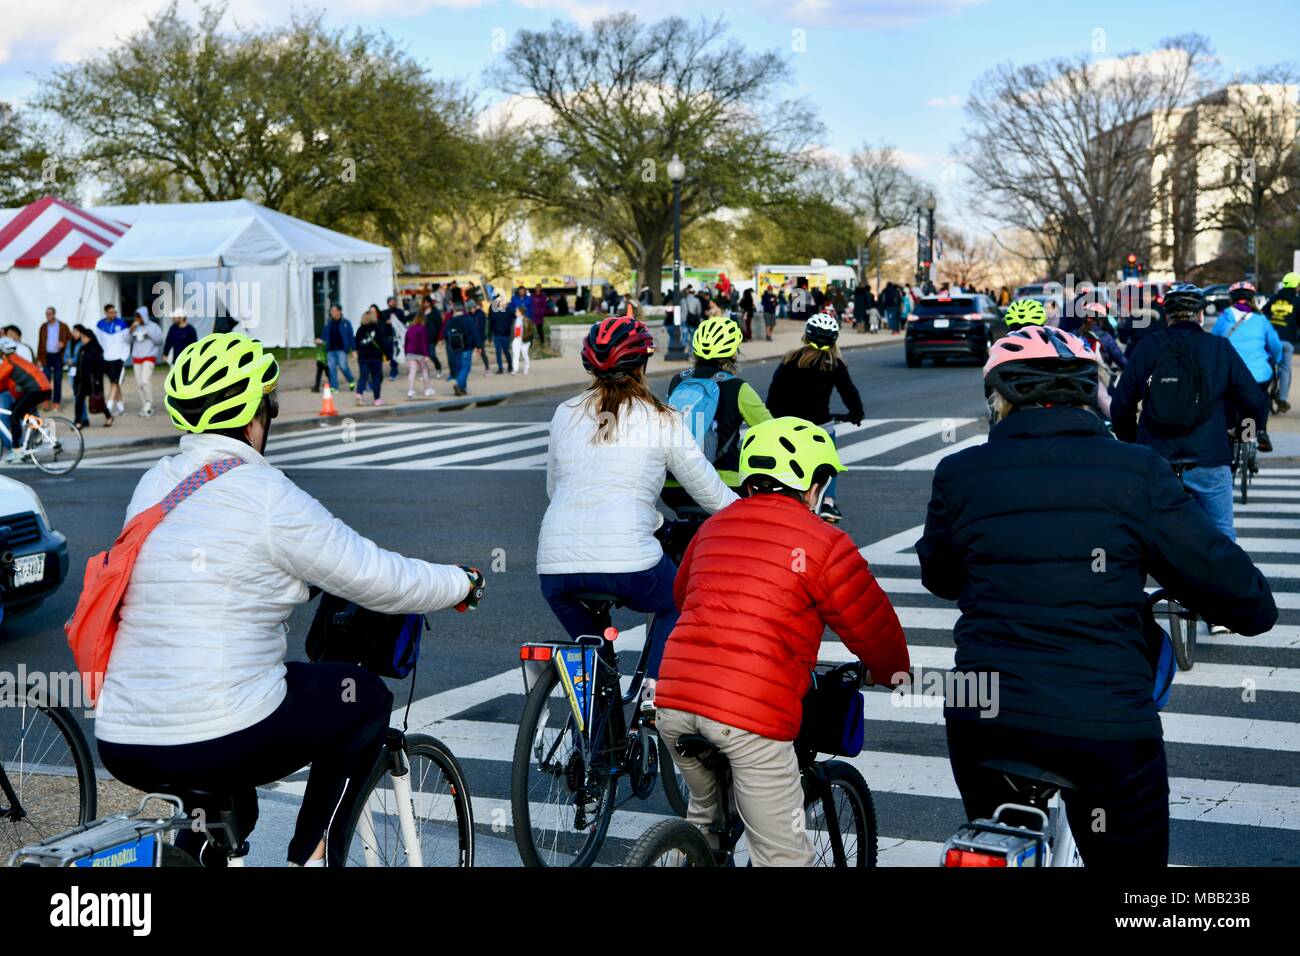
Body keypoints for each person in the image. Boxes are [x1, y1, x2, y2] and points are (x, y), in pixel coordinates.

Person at [94, 332, 484, 867]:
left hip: (123, 737)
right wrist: (461, 582)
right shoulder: (266, 495)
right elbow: (378, 578)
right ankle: (311, 852)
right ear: (255, 415)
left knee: (232, 813)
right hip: (215, 729)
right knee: (363, 696)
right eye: (270, 405)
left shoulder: (155, 482)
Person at [918, 324, 1277, 867]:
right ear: (1090, 394)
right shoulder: (1136, 471)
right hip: (1103, 720)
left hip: (984, 710)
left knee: (990, 839)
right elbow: (1243, 598)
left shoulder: (960, 473)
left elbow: (941, 577)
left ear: (999, 399)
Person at [655, 416, 908, 867]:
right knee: (782, 854)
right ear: (811, 485)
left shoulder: (713, 527)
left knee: (704, 822)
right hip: (749, 714)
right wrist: (889, 671)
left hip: (675, 701)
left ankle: (692, 852)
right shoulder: (823, 542)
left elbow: (682, 594)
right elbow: (872, 624)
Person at [538, 316, 737, 691]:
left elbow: (556, 490)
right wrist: (752, 517)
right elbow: (710, 492)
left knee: (594, 658)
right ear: (643, 365)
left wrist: (655, 522)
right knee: (677, 599)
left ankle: (596, 729)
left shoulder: (565, 413)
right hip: (628, 563)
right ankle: (653, 691)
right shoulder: (661, 418)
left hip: (555, 567)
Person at [1110, 284, 1267, 608]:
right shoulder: (1219, 348)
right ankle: (1225, 611)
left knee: (1139, 535)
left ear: (1167, 316)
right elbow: (1254, 398)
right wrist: (1247, 430)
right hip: (1209, 457)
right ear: (1200, 315)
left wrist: (1131, 445)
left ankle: (1129, 607)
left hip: (1155, 461)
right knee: (1221, 534)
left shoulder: (1147, 347)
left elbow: (1121, 405)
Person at [663, 314, 771, 509]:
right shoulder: (738, 388)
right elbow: (770, 431)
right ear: (734, 353)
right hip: (722, 484)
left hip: (673, 486)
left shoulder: (678, 381)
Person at [765, 314, 864, 523]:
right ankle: (828, 501)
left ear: (806, 336)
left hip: (789, 426)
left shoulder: (790, 360)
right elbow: (849, 393)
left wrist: (775, 416)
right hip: (819, 426)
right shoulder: (833, 364)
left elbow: (774, 395)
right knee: (830, 461)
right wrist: (856, 414)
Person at [1212, 281, 1281, 446]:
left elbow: (1213, 344)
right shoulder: (1261, 320)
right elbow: (1275, 346)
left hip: (1230, 375)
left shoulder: (1223, 318)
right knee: (1260, 397)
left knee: (1228, 400)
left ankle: (1229, 434)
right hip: (1258, 374)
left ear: (1231, 298)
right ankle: (1260, 431)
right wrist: (1275, 360)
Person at [0, 337, 52, 461]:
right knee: (17, 410)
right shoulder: (17, 359)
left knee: (14, 415)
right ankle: (35, 433)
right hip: (42, 389)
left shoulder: (9, 362)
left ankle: (17, 450)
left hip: (37, 390)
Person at [1262, 272, 1299, 414]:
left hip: (1270, 340)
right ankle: (1282, 400)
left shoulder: (1274, 298)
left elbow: (1262, 314)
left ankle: (1264, 392)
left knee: (1268, 365)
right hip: (1286, 341)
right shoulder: (1297, 301)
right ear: (1296, 286)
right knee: (1285, 370)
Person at [70, 325, 111, 430]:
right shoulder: (82, 349)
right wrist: (76, 378)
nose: (82, 339)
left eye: (84, 337)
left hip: (93, 381)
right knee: (79, 401)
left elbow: (100, 367)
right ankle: (78, 422)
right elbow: (79, 364)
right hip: (81, 381)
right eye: (81, 337)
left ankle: (109, 416)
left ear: (90, 337)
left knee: (98, 401)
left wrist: (97, 381)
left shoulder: (96, 349)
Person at [129, 307, 164, 417]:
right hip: (137, 358)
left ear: (145, 315)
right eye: (137, 316)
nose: (138, 318)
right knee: (139, 384)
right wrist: (131, 330)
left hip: (149, 357)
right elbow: (127, 341)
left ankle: (149, 404)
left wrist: (149, 334)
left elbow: (160, 341)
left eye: (140, 316)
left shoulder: (153, 326)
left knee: (145, 380)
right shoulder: (135, 326)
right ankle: (145, 406)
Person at [36, 307, 71, 411]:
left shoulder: (63, 326)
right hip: (46, 356)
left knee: (58, 379)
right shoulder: (43, 327)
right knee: (46, 379)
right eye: (47, 314)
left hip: (58, 356)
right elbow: (40, 343)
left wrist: (63, 344)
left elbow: (70, 339)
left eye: (50, 314)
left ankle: (56, 401)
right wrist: (39, 358)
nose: (48, 316)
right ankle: (46, 401)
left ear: (54, 314)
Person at [353, 306, 389, 406]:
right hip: (376, 357)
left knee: (363, 376)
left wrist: (356, 351)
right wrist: (388, 355)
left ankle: (359, 394)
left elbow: (356, 342)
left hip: (363, 357)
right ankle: (377, 399)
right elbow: (383, 343)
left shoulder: (360, 330)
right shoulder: (378, 329)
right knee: (376, 377)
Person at [442, 305, 480, 397]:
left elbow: (445, 334)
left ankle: (462, 389)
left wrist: (451, 341)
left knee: (459, 368)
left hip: (455, 348)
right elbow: (474, 333)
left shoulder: (450, 321)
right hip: (467, 347)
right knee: (465, 367)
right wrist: (478, 345)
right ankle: (459, 385)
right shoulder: (468, 320)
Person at [322, 304, 356, 392]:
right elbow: (324, 334)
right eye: (331, 311)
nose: (332, 312)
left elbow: (351, 336)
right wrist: (321, 340)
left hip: (341, 349)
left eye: (334, 310)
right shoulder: (329, 323)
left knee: (343, 366)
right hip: (331, 349)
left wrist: (353, 349)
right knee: (332, 368)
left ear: (339, 311)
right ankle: (334, 387)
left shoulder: (345, 323)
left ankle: (351, 380)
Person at [404, 312, 434, 398]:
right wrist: (427, 354)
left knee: (412, 372)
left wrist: (406, 352)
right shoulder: (423, 329)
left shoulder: (410, 328)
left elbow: (406, 342)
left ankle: (410, 390)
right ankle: (427, 389)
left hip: (410, 352)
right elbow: (424, 342)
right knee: (424, 370)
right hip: (420, 353)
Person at [378, 296, 406, 380]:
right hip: (386, 337)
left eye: (394, 302)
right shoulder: (383, 313)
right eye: (391, 302)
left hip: (396, 338)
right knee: (390, 355)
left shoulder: (400, 312)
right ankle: (394, 369)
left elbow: (403, 323)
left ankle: (393, 372)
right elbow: (380, 323)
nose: (393, 303)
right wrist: (386, 322)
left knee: (394, 354)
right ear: (388, 303)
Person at [488, 296, 513, 374]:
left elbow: (516, 317)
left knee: (506, 351)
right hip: (496, 335)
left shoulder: (508, 310)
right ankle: (500, 368)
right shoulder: (493, 311)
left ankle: (510, 365)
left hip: (506, 334)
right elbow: (490, 324)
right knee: (498, 352)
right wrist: (489, 335)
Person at [511, 307, 532, 375]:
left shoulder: (527, 320)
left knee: (525, 354)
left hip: (524, 340)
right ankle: (515, 369)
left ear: (520, 312)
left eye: (517, 311)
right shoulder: (515, 320)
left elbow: (530, 331)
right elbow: (513, 330)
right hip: (516, 339)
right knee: (515, 354)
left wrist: (528, 338)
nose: (515, 313)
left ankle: (526, 367)